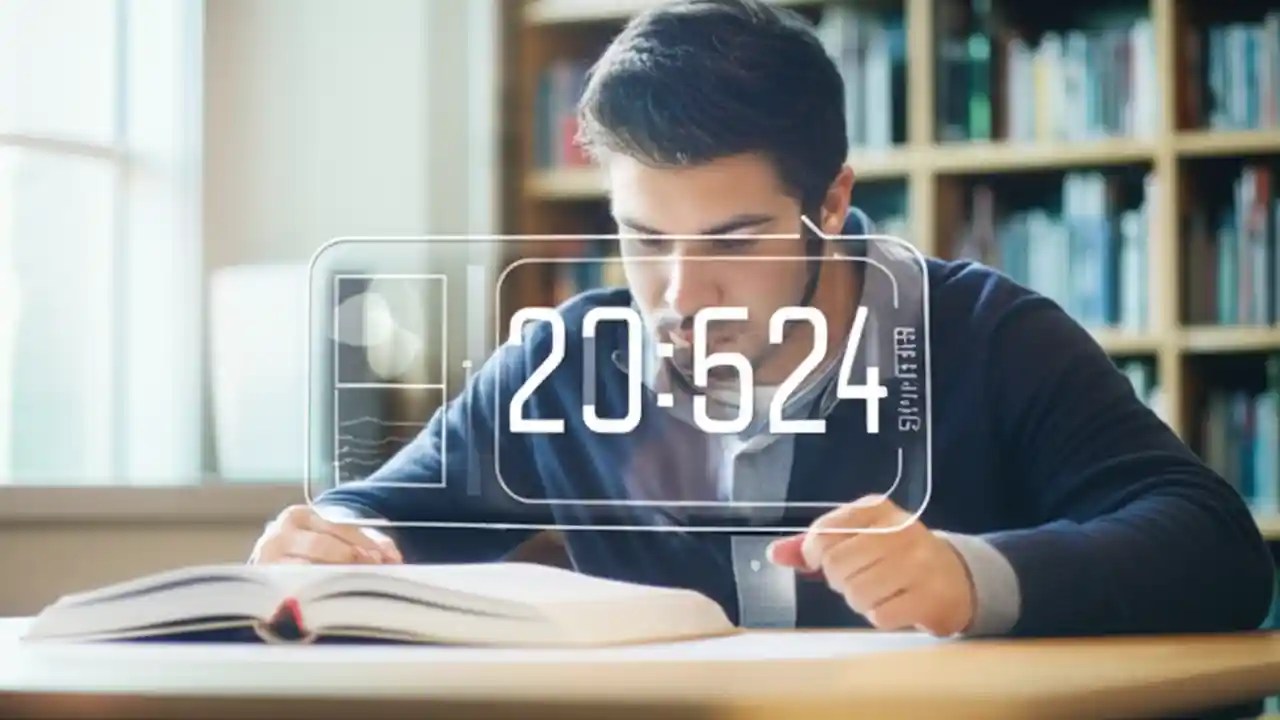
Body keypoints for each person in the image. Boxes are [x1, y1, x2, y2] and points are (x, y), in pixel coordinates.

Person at [250, 0, 1275, 639]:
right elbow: (389, 514)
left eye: (733, 241)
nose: (679, 295)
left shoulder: (986, 337)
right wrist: (338, 535)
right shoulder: (562, 366)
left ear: (830, 201)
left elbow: (1213, 549)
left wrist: (967, 577)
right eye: (644, 240)